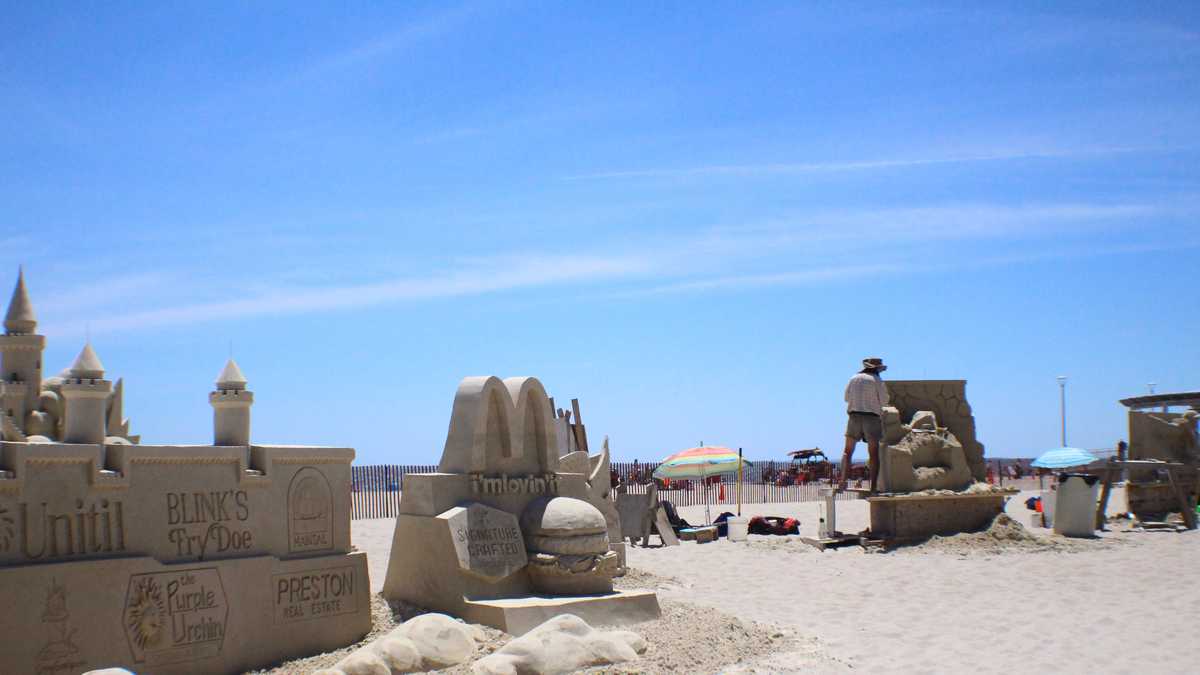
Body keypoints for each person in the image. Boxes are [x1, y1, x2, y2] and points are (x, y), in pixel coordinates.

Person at [841, 356, 889, 493]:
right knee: (873, 454)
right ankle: (873, 487)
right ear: (877, 369)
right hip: (871, 418)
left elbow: (846, 398)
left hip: (854, 417)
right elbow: (885, 401)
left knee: (847, 451)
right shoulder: (877, 380)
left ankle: (842, 481)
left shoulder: (853, 378)